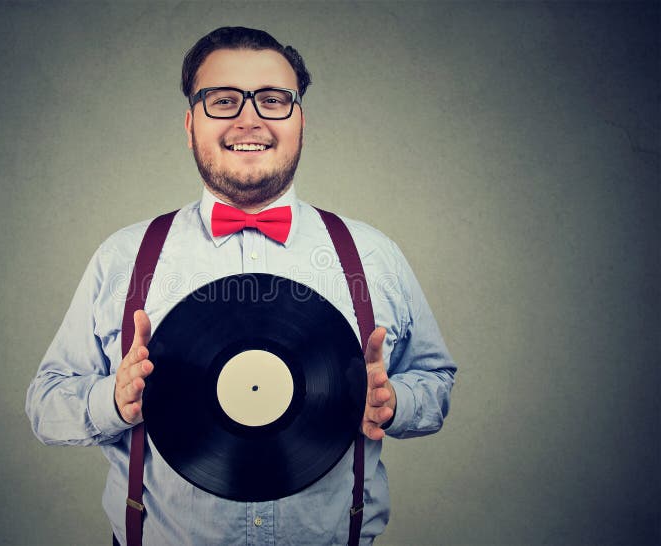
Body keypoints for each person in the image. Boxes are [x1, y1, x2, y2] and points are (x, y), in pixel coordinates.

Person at [26, 26, 456, 546]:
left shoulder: (372, 256)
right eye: (223, 100)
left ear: (300, 120)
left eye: (273, 100)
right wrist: (112, 403)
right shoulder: (123, 257)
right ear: (190, 125)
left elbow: (434, 379)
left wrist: (396, 402)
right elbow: (47, 403)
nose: (248, 119)